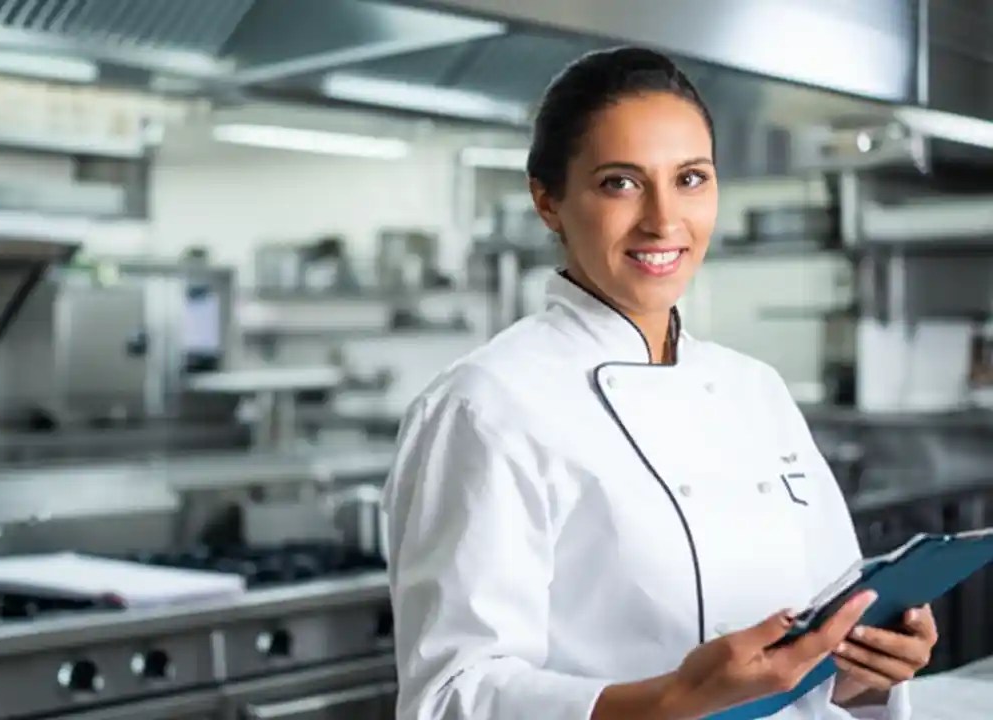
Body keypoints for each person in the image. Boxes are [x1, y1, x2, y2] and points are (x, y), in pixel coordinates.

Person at [382, 46, 938, 720]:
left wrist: (869, 668)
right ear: (547, 201)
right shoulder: (486, 406)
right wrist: (675, 700)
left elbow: (819, 660)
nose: (664, 220)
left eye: (691, 179)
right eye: (620, 182)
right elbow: (449, 698)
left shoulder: (755, 390)